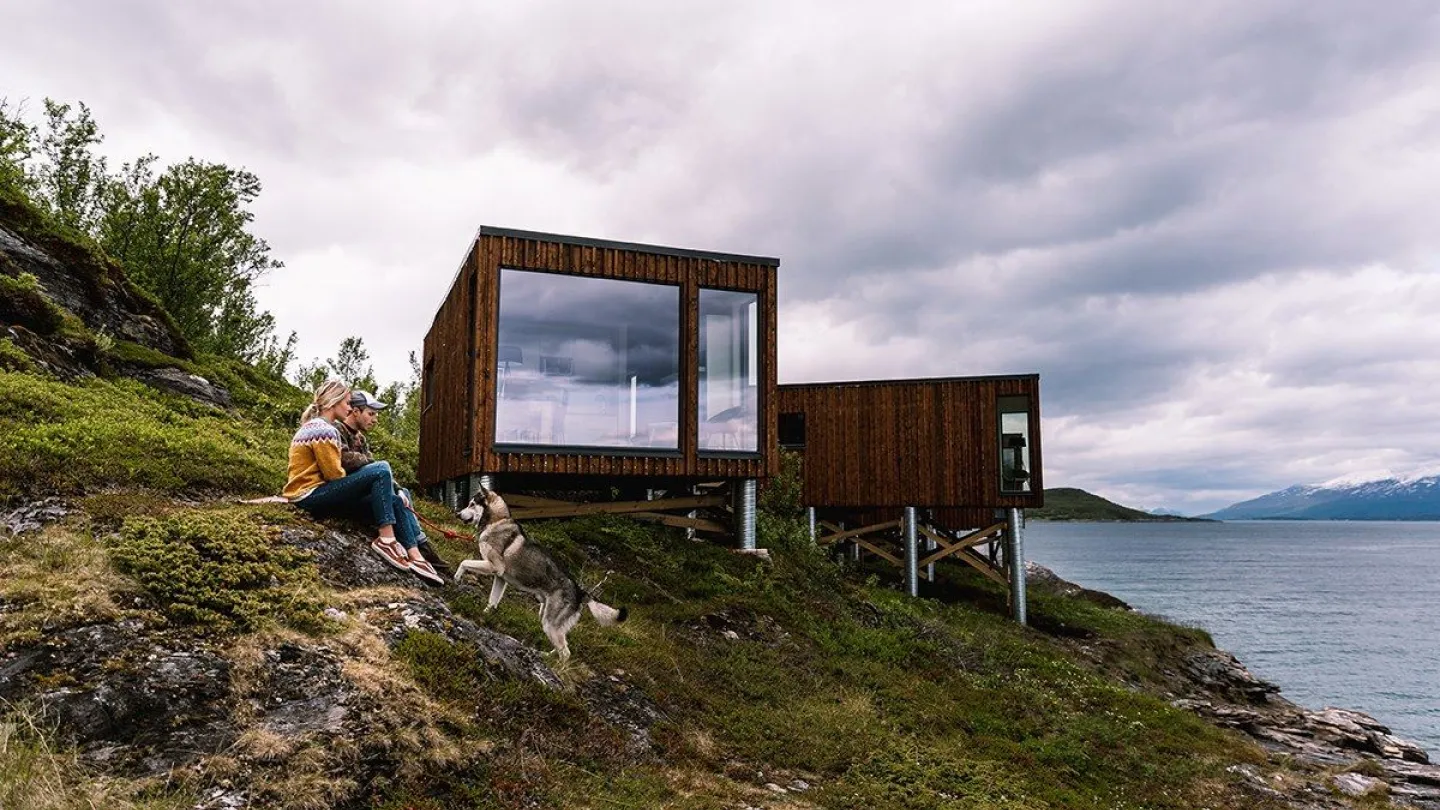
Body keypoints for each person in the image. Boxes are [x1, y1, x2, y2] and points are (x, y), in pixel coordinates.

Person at [283, 379, 445, 586]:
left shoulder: (321, 427)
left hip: (319, 494)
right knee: (381, 469)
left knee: (395, 501)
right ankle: (387, 540)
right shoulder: (323, 429)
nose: (349, 408)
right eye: (348, 403)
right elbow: (334, 475)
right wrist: (362, 485)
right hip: (309, 495)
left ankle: (417, 557)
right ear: (335, 402)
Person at [337, 389, 453, 579]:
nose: (375, 420)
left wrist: (397, 488)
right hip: (347, 494)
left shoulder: (360, 438)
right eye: (371, 414)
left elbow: (369, 465)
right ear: (355, 411)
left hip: (362, 491)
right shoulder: (338, 430)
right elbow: (345, 460)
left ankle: (421, 546)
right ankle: (416, 548)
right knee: (384, 474)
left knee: (403, 493)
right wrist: (369, 463)